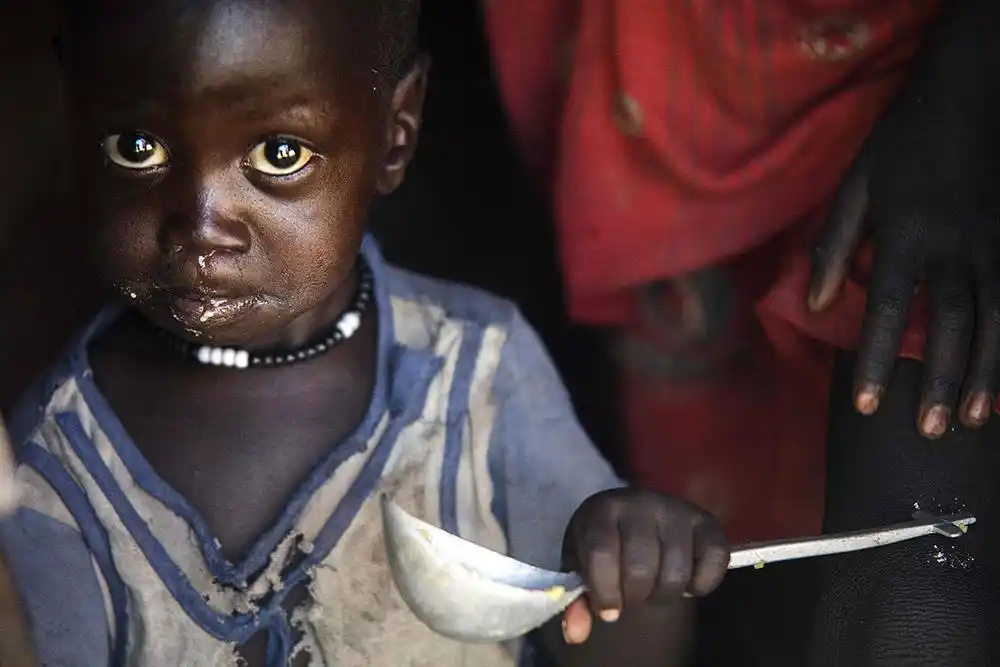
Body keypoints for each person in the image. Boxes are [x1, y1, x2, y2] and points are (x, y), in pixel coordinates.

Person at [0, 1, 733, 666]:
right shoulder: (46, 462)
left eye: (278, 155)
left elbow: (610, 642)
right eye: (136, 146)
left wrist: (634, 568)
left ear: (395, 132)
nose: (200, 227)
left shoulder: (476, 371)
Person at [484, 0, 1000, 663]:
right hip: (684, 81)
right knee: (734, 527)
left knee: (918, 549)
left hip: (933, 77)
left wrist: (964, 103)